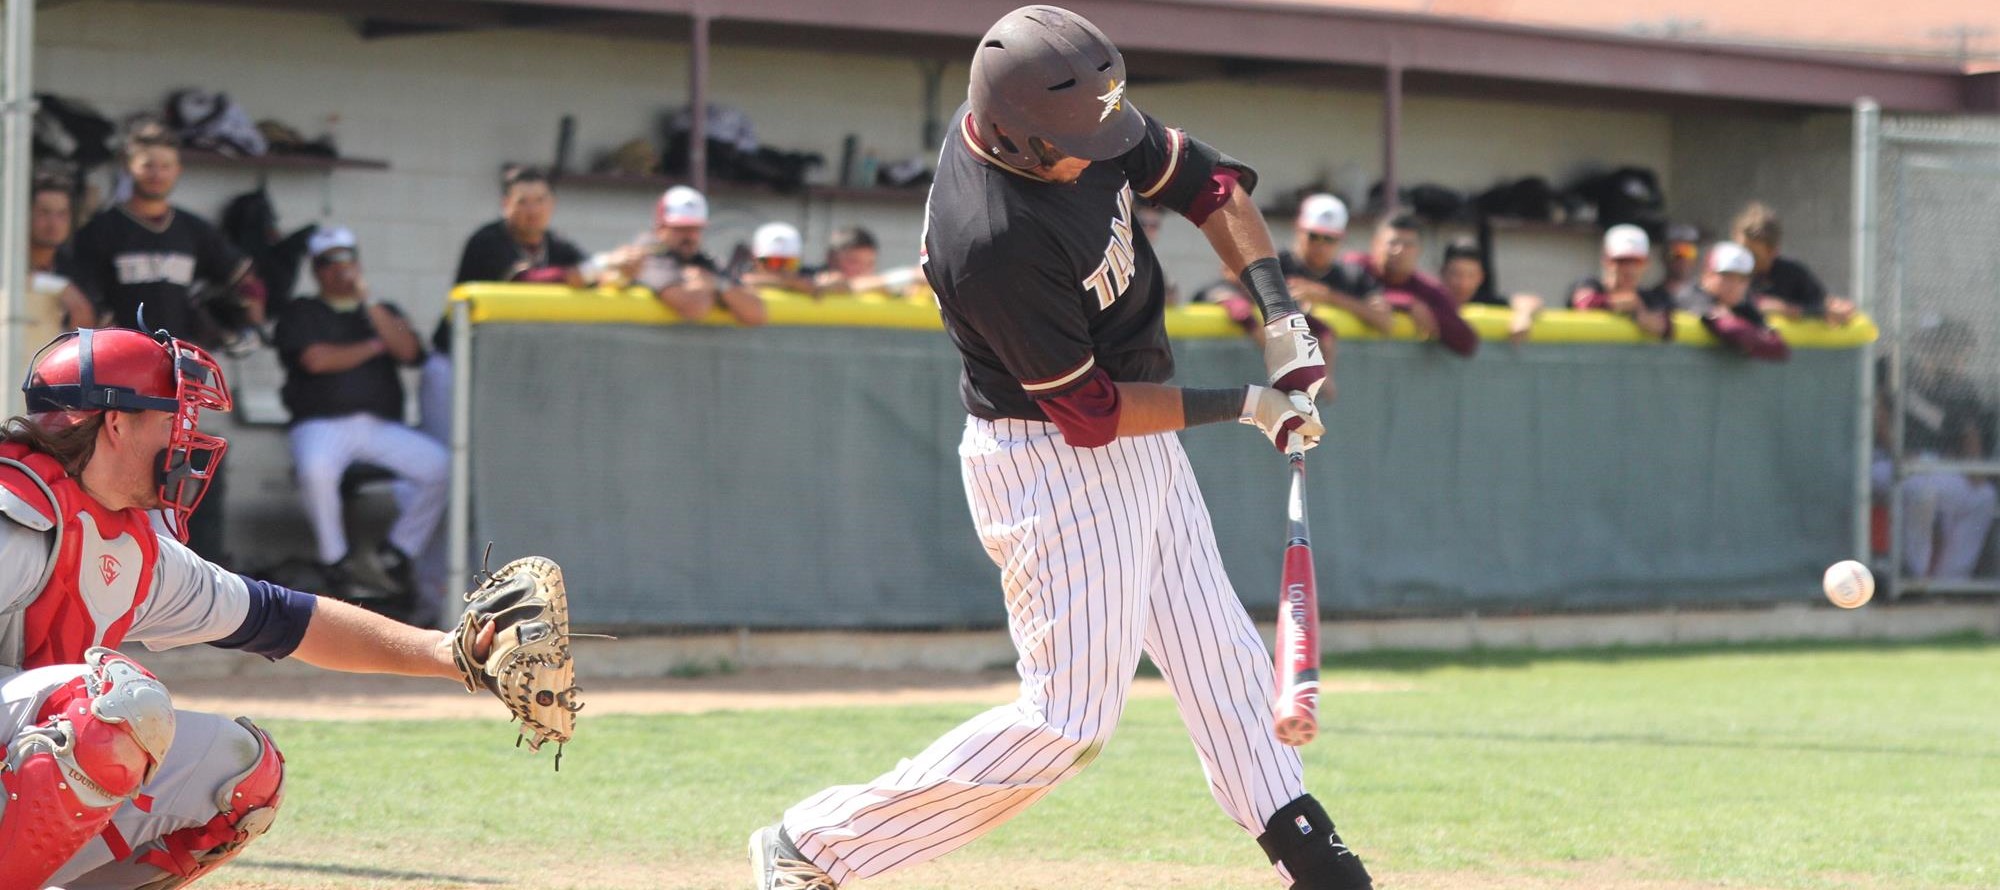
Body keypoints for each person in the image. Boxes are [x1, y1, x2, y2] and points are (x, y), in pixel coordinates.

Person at [750, 8, 1370, 890]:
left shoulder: (1078, 114)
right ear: (1017, 137)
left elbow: (1212, 186)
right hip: (1050, 463)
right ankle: (815, 846)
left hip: (1136, 434)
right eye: (1085, 142)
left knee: (1218, 653)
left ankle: (1308, 853)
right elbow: (1088, 411)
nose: (1108, 151)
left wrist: (1280, 313)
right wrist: (1250, 404)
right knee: (1068, 721)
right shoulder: (990, 236)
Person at [0, 326, 504, 888]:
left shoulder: (122, 542)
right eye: (172, 418)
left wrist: (451, 653)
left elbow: (281, 618)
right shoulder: (13, 517)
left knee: (240, 774)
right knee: (113, 706)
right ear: (116, 423)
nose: (186, 437)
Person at [62, 122, 266, 563]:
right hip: (117, 375)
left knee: (188, 468)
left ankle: (193, 566)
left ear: (178, 171)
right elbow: (79, 302)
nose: (157, 173)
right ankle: (111, 563)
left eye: (166, 165)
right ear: (128, 166)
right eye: (148, 164)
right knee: (118, 469)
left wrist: (249, 311)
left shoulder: (193, 229)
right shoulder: (102, 231)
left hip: (179, 374)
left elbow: (247, 284)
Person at [273, 227, 446, 617]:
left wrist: (368, 301)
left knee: (440, 465)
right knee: (316, 471)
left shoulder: (382, 311)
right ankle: (335, 561)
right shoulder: (303, 310)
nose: (340, 270)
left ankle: (395, 554)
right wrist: (372, 346)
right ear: (316, 270)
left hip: (379, 425)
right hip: (319, 423)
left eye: (346, 259)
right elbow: (317, 360)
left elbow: (409, 351)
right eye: (330, 263)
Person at [419, 165, 593, 444]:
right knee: (443, 463)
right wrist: (579, 275)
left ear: (552, 204)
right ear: (505, 205)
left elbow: (592, 276)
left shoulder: (558, 245)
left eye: (540, 200)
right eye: (522, 201)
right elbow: (523, 280)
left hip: (500, 372)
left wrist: (618, 268)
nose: (533, 210)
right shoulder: (487, 240)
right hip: (454, 366)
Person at [1874, 318, 1996, 580]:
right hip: (1884, 462)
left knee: (1983, 496)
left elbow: (1970, 433)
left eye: (1955, 345)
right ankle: (1911, 577)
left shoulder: (1960, 387)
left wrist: (1973, 471)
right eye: (1941, 343)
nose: (1952, 352)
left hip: (1933, 466)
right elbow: (1877, 411)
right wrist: (1897, 451)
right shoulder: (1893, 367)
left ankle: (1950, 580)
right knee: (1922, 491)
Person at [604, 185, 767, 325]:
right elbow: (695, 307)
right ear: (660, 228)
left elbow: (756, 314)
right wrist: (716, 291)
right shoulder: (645, 254)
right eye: (680, 228)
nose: (689, 236)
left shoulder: (701, 260)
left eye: (695, 229)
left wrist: (718, 285)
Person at [1343, 216, 1478, 356]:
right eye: (1393, 243)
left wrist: (1434, 319)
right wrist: (1406, 303)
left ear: (1419, 250)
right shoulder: (1356, 267)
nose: (1399, 250)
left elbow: (1467, 341)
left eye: (1408, 245)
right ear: (1376, 244)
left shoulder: (1427, 288)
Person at [1280, 194, 1393, 334]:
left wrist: (1329, 297)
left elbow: (1385, 321)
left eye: (1329, 239)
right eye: (1313, 236)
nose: (1320, 245)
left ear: (1341, 238)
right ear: (1298, 228)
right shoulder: (1275, 266)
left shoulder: (1353, 275)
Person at [1731, 202, 1856, 325]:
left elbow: (1822, 306)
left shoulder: (1792, 274)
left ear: (1773, 251)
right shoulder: (1727, 273)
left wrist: (1786, 310)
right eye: (1739, 251)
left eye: (1753, 255)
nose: (1742, 260)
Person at [25, 174, 101, 349]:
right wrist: (58, 287)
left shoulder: (78, 272)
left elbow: (86, 326)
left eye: (62, 214)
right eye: (44, 213)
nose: (53, 223)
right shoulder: (8, 262)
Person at [1569, 224, 1673, 341]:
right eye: (1621, 261)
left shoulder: (1652, 297)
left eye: (1637, 262)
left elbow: (1666, 325)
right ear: (1606, 260)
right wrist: (1621, 304)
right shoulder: (1590, 284)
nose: (1629, 269)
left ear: (1647, 263)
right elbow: (1584, 302)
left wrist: (1639, 310)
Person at [1688, 242, 1788, 361]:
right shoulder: (1693, 296)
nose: (1734, 285)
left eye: (1742, 278)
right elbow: (1731, 329)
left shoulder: (1742, 306)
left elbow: (1779, 348)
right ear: (1707, 275)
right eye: (1726, 276)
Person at [1438, 237, 1542, 344]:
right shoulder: (1433, 300)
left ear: (1480, 277)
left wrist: (1522, 317)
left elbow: (1529, 300)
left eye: (1470, 275)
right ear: (1443, 273)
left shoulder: (1485, 302)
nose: (1463, 284)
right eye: (1457, 274)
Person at [810, 225, 922, 298]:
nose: (862, 269)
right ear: (830, 259)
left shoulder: (878, 293)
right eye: (853, 261)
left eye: (870, 263)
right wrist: (910, 276)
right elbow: (846, 286)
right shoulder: (808, 278)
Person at [739, 221, 816, 293]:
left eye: (788, 262)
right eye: (772, 261)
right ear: (755, 259)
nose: (778, 268)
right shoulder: (738, 275)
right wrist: (789, 283)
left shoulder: (811, 275)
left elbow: (823, 283)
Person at [1656, 223, 1704, 312]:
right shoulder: (1649, 300)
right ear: (1663, 256)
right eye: (1676, 252)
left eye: (1689, 252)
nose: (1682, 258)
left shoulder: (1706, 300)